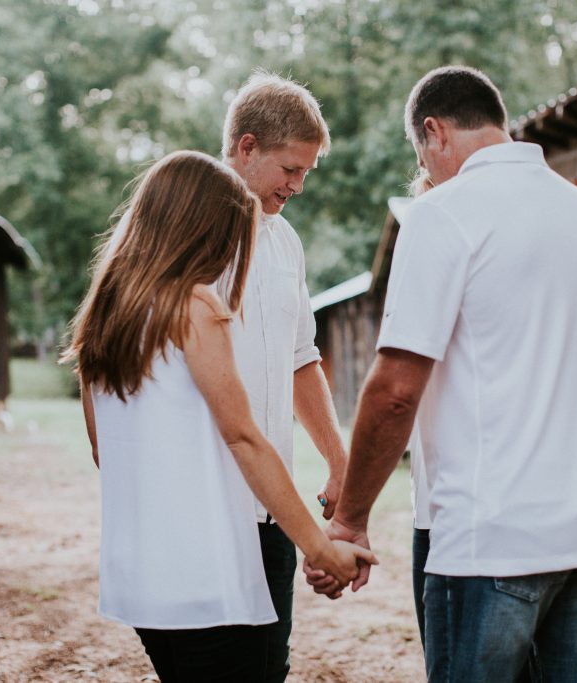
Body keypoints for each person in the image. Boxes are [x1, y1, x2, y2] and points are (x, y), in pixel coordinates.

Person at [309, 66, 577, 682]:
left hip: (493, 541)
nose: (425, 173)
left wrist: (348, 520)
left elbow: (396, 391)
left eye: (421, 155)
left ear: (433, 132)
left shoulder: (440, 214)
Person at [62, 151, 375, 683]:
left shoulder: (105, 314)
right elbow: (245, 438)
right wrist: (321, 548)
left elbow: (104, 451)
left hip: (144, 570)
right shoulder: (195, 307)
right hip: (205, 571)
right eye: (229, 235)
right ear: (199, 229)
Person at [220, 70, 351, 683]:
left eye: (306, 173)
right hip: (206, 503)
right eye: (289, 170)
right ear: (247, 148)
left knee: (269, 667)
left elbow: (303, 359)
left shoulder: (286, 242)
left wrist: (337, 459)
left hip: (271, 508)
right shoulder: (190, 234)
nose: (297, 187)